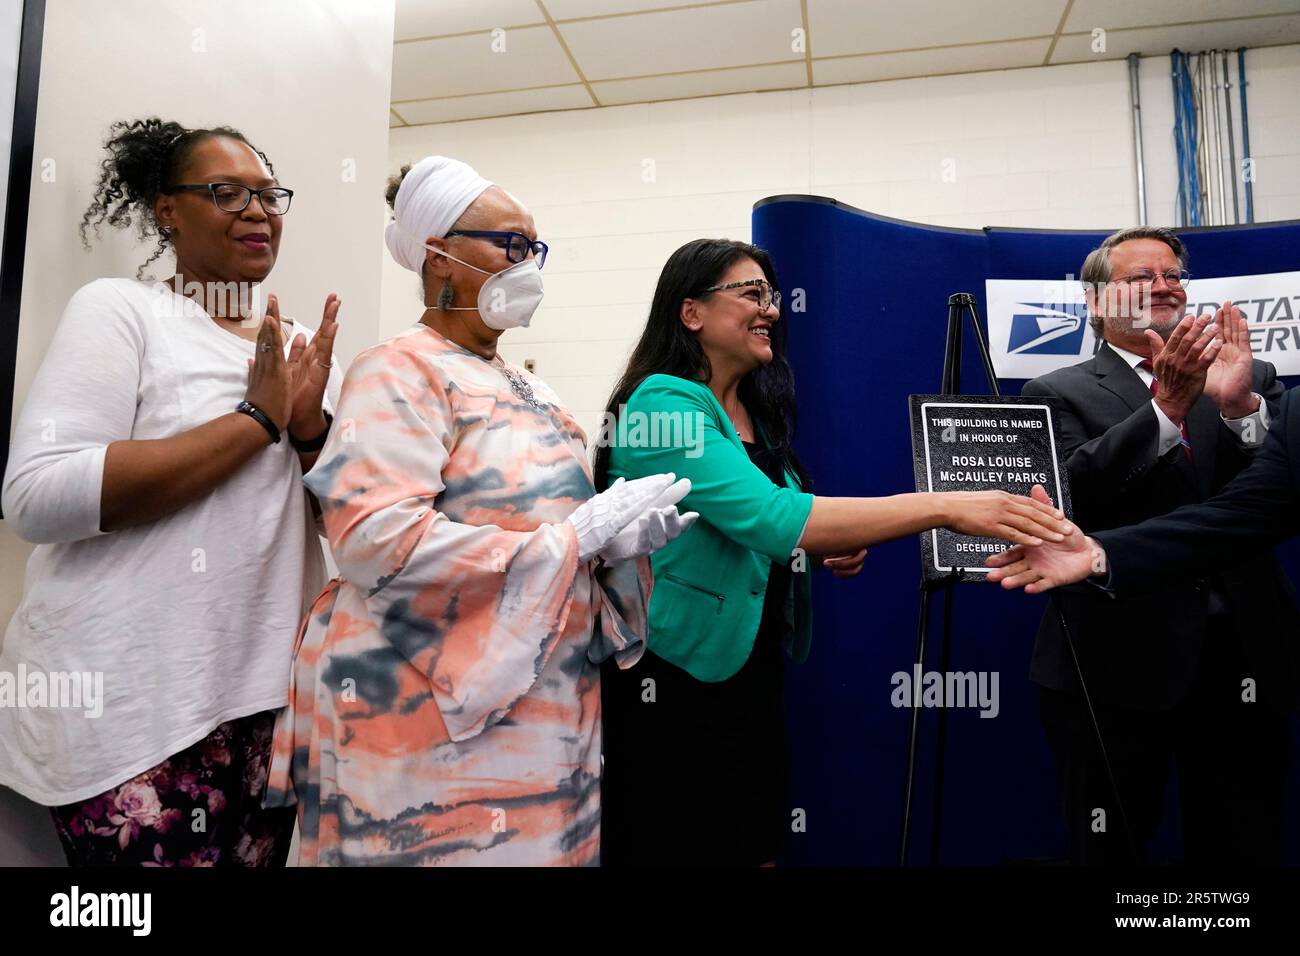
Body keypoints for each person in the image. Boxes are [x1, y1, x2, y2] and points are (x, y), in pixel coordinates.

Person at [263, 156, 694, 866]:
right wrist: (564, 543)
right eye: (510, 245)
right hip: (427, 720)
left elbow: (554, 527)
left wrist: (611, 549)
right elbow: (375, 538)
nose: (529, 265)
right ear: (439, 258)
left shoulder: (535, 388)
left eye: (535, 249)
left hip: (547, 717)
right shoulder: (399, 369)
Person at [594, 237, 1073, 866]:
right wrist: (948, 504)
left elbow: (744, 527)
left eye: (772, 294)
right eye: (750, 293)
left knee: (754, 846)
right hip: (673, 679)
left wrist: (815, 553)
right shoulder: (660, 403)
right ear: (691, 313)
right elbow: (769, 517)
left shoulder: (752, 411)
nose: (771, 309)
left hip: (748, 673)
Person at [0, 117, 341, 867]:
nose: (258, 211)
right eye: (226, 192)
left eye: (268, 194)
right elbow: (36, 495)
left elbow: (348, 533)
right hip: (128, 716)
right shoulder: (123, 311)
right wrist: (255, 421)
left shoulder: (298, 355)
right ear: (166, 211)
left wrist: (311, 426)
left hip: (261, 712)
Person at [1017, 226, 1297, 865]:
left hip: (1242, 660)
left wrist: (1238, 409)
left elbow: (1278, 493)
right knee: (1109, 848)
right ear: (1095, 301)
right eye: (1142, 277)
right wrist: (1164, 410)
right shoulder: (1054, 392)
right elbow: (1062, 504)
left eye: (1174, 276)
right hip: (1112, 661)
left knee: (1243, 845)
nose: (1164, 287)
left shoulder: (1248, 376)